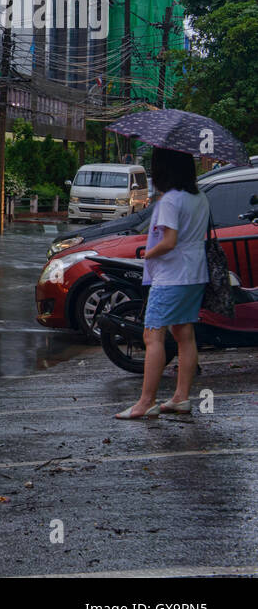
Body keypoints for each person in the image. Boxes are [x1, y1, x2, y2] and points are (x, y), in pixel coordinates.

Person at [115, 147, 211, 419]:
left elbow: (168, 242)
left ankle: (146, 402)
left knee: (152, 335)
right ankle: (181, 397)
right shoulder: (199, 197)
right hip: (194, 274)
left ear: (164, 170)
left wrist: (148, 253)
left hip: (172, 277)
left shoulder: (170, 200)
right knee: (184, 334)